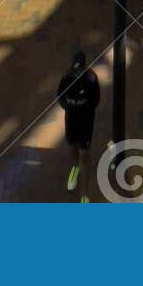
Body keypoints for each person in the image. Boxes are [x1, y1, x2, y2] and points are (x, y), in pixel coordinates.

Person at [57, 53, 101, 195]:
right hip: (71, 122)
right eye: (74, 69)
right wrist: (71, 106)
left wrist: (81, 107)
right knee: (73, 150)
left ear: (84, 67)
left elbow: (96, 101)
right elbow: (60, 97)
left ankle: (84, 194)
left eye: (79, 69)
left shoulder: (91, 79)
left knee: (84, 157)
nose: (76, 73)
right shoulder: (66, 78)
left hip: (85, 124)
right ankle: (74, 170)